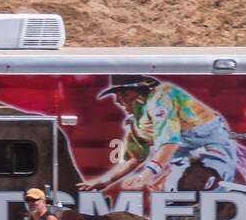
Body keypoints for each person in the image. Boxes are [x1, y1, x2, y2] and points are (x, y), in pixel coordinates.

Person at [79, 76, 237, 192]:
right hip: (183, 159)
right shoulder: (138, 122)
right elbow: (135, 158)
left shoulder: (162, 96)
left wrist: (147, 174)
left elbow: (170, 142)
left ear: (136, 92)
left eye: (123, 94)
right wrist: (104, 181)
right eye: (117, 96)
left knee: (198, 186)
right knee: (172, 192)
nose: (118, 101)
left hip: (211, 146)